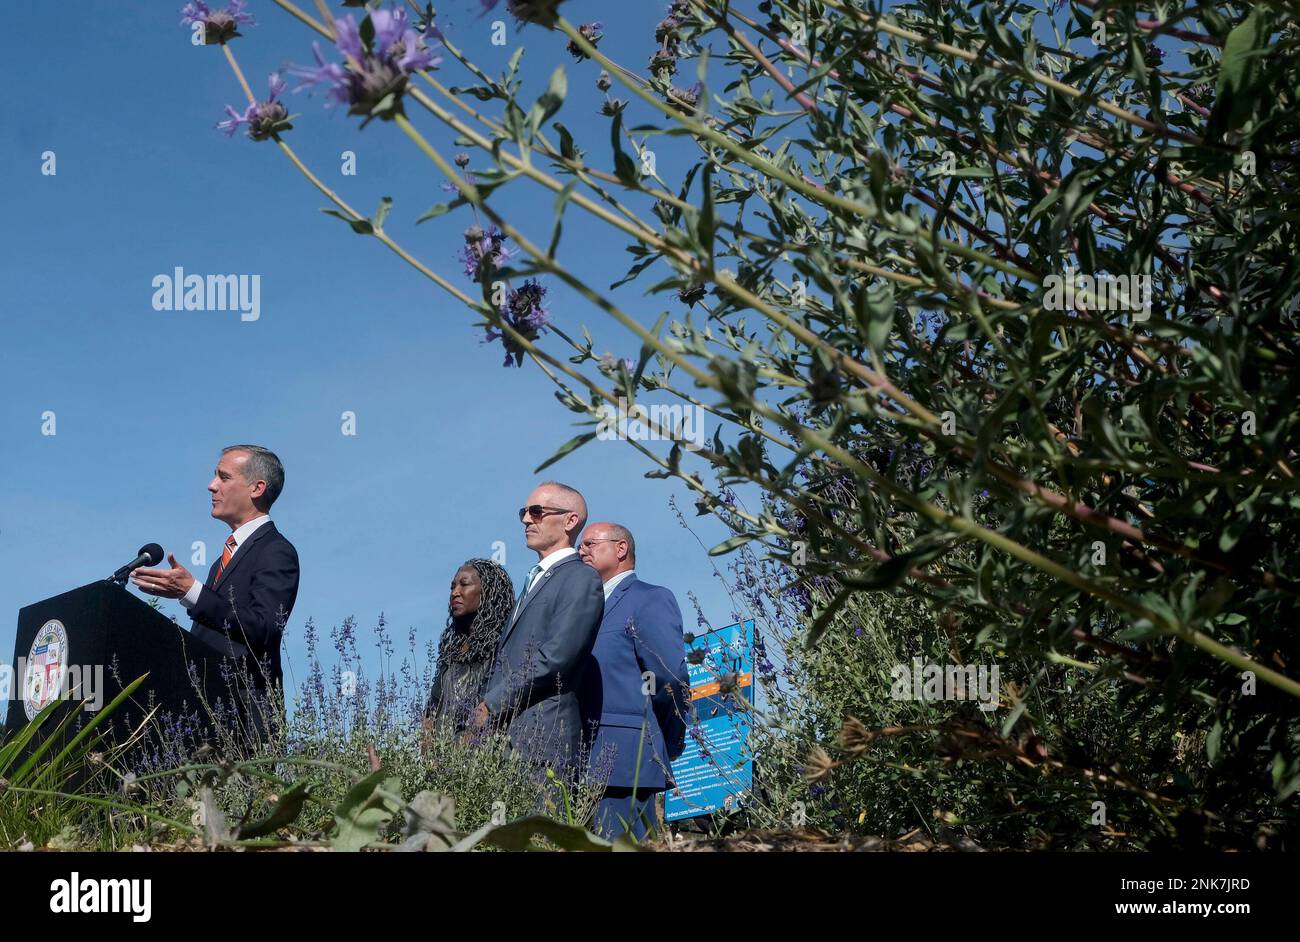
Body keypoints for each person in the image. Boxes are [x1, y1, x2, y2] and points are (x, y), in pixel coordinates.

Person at [131, 445, 299, 739]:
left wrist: (193, 592)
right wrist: (188, 594)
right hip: (205, 716)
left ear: (256, 488)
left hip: (246, 720)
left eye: (224, 477)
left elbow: (263, 628)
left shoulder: (276, 551)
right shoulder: (220, 563)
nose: (212, 485)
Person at [474, 482, 604, 783]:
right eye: (524, 512)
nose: (526, 519)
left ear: (570, 521)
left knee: (541, 833)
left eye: (536, 512)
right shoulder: (534, 581)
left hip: (543, 748)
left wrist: (491, 704)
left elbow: (556, 657)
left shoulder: (580, 578)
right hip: (505, 748)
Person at [577, 522, 689, 840]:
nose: (581, 551)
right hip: (577, 766)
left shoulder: (649, 599)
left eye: (590, 544)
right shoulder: (583, 610)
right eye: (579, 546)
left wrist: (663, 742)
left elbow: (668, 676)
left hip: (626, 765)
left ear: (621, 548)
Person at [423, 558, 513, 736]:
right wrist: (429, 753)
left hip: (478, 757)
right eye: (452, 587)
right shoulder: (452, 653)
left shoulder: (503, 648)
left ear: (488, 592)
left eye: (464, 585)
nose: (455, 592)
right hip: (439, 758)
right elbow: (430, 713)